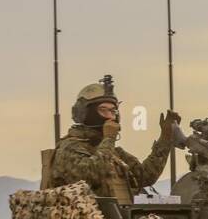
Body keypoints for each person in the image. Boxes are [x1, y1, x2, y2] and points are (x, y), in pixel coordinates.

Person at [47, 78, 180, 203]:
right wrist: (109, 138)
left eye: (113, 110)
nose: (110, 116)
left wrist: (165, 138)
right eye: (103, 110)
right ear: (85, 113)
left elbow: (145, 176)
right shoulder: (69, 148)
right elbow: (92, 174)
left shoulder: (114, 152)